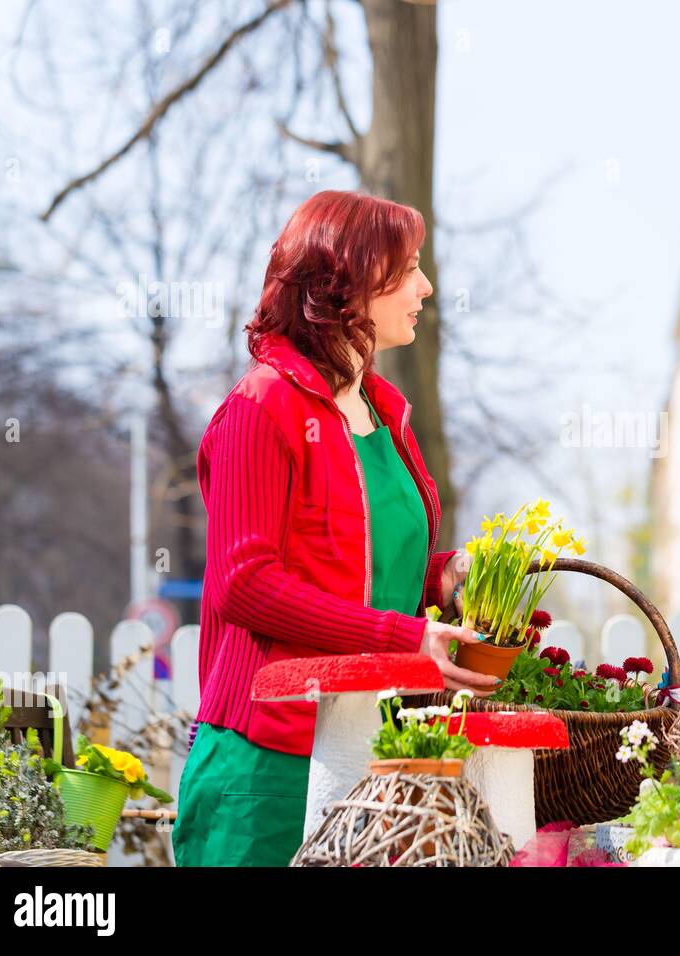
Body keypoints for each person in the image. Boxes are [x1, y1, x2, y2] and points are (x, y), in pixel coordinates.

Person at [171, 190, 498, 866]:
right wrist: (404, 638)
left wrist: (449, 576)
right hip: (267, 768)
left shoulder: (384, 411)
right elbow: (245, 583)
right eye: (407, 268)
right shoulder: (261, 408)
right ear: (350, 283)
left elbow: (365, 567)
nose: (426, 286)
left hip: (369, 752)